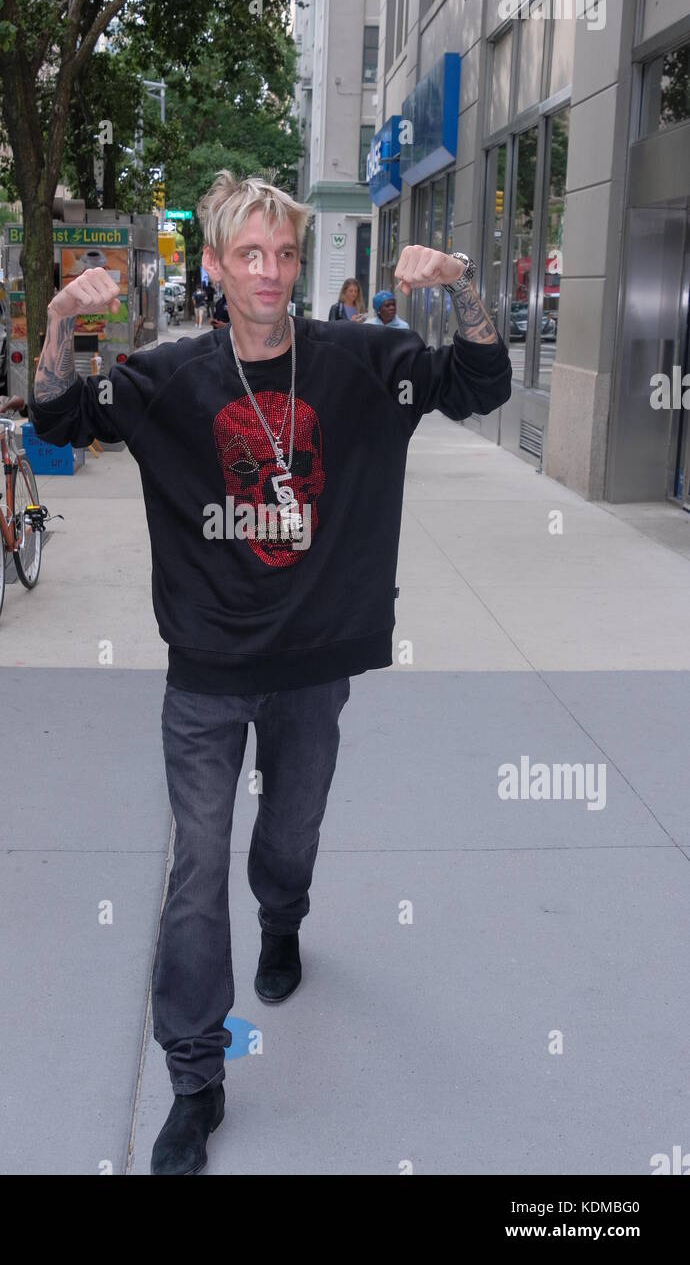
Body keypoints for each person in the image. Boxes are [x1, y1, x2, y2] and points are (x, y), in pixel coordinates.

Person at [27, 170, 512, 1176]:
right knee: (195, 870)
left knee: (285, 834)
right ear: (212, 265)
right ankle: (196, 1083)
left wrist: (458, 283)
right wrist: (60, 321)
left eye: (282, 254)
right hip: (204, 667)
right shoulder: (169, 379)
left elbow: (481, 383)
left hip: (311, 661)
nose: (267, 271)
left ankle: (283, 916)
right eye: (247, 254)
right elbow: (57, 417)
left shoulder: (361, 364)